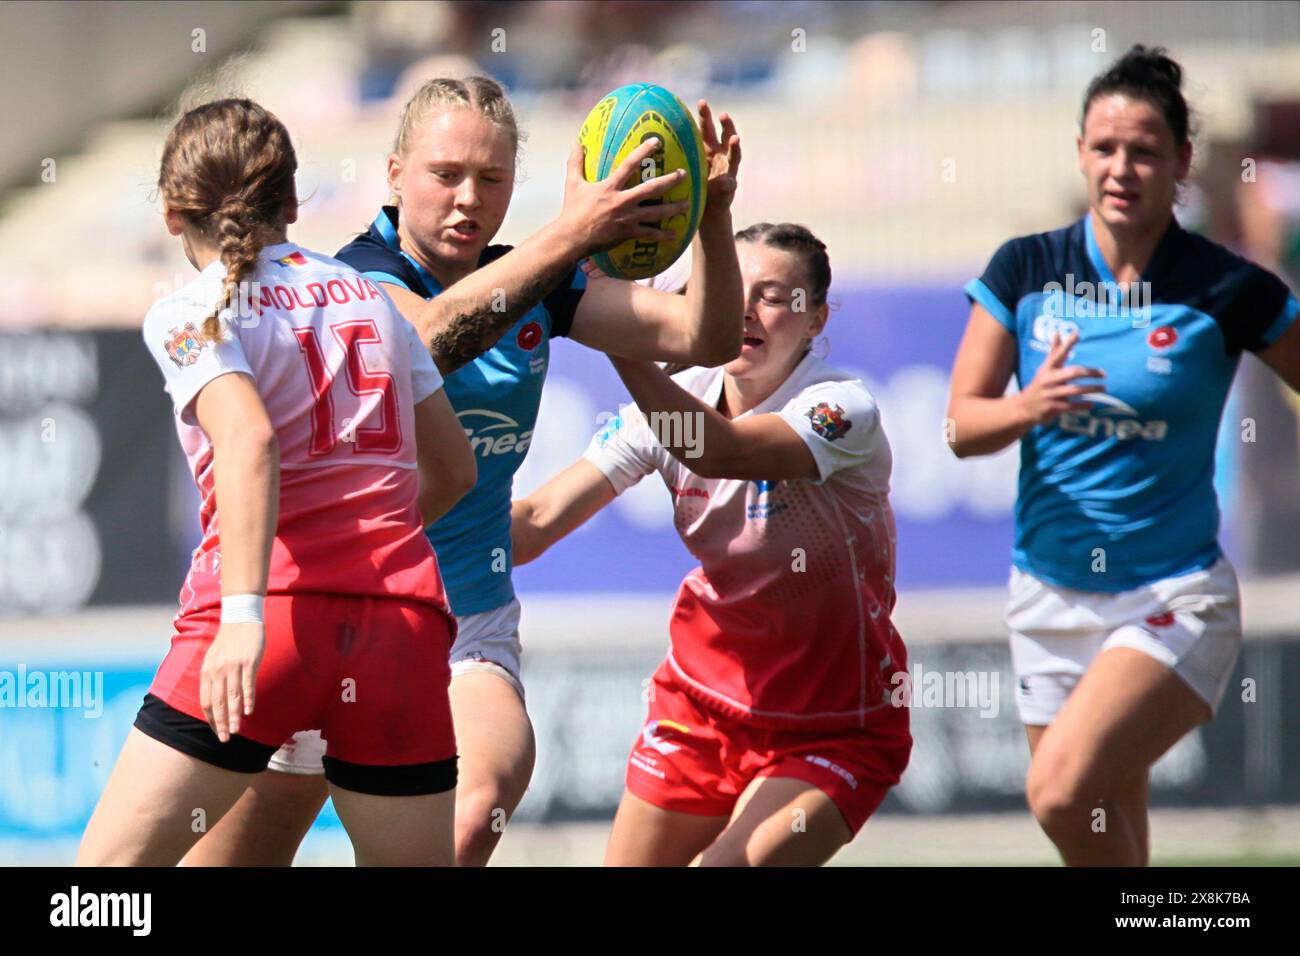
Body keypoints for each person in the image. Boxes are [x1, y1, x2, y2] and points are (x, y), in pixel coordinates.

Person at [183, 75, 744, 866]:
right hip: (327, 613)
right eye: (445, 175)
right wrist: (570, 233)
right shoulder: (356, 280)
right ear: (393, 175)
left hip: (463, 622)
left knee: (474, 813)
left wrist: (713, 222)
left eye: (492, 179)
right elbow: (429, 338)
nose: (467, 200)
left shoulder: (547, 282)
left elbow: (705, 337)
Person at [77, 98, 477, 866]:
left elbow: (249, 438)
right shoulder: (375, 299)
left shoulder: (187, 312)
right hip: (401, 631)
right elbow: (455, 468)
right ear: (294, 202)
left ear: (170, 213)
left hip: (268, 628)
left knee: (95, 894)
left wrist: (244, 617)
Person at [947, 46, 1300, 866]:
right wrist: (1030, 406)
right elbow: (961, 428)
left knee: (1060, 793)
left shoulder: (1225, 287)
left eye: (1144, 151)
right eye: (1104, 147)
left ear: (1180, 162)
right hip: (1044, 595)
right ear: (1079, 152)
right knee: (1102, 835)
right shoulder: (1025, 268)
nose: (1122, 167)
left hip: (1170, 596)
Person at [511, 222, 912, 866]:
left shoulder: (841, 410)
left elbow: (725, 451)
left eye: (776, 296)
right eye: (733, 290)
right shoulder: (669, 407)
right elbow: (531, 524)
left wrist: (623, 338)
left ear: (816, 320)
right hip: (702, 701)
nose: (748, 311)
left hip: (838, 723)